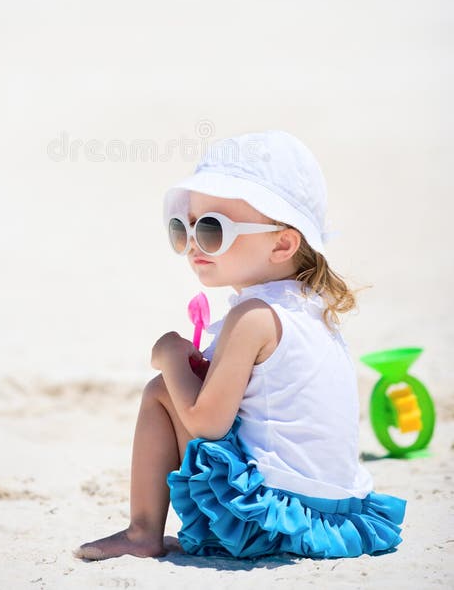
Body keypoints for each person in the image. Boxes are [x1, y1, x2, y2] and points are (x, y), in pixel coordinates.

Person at [74, 130, 406, 561]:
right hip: (334, 516)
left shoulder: (250, 317)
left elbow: (207, 422)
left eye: (213, 230)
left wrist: (173, 358)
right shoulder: (313, 308)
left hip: (268, 519)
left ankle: (142, 532)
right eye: (184, 228)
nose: (194, 244)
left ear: (283, 243)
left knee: (161, 391)